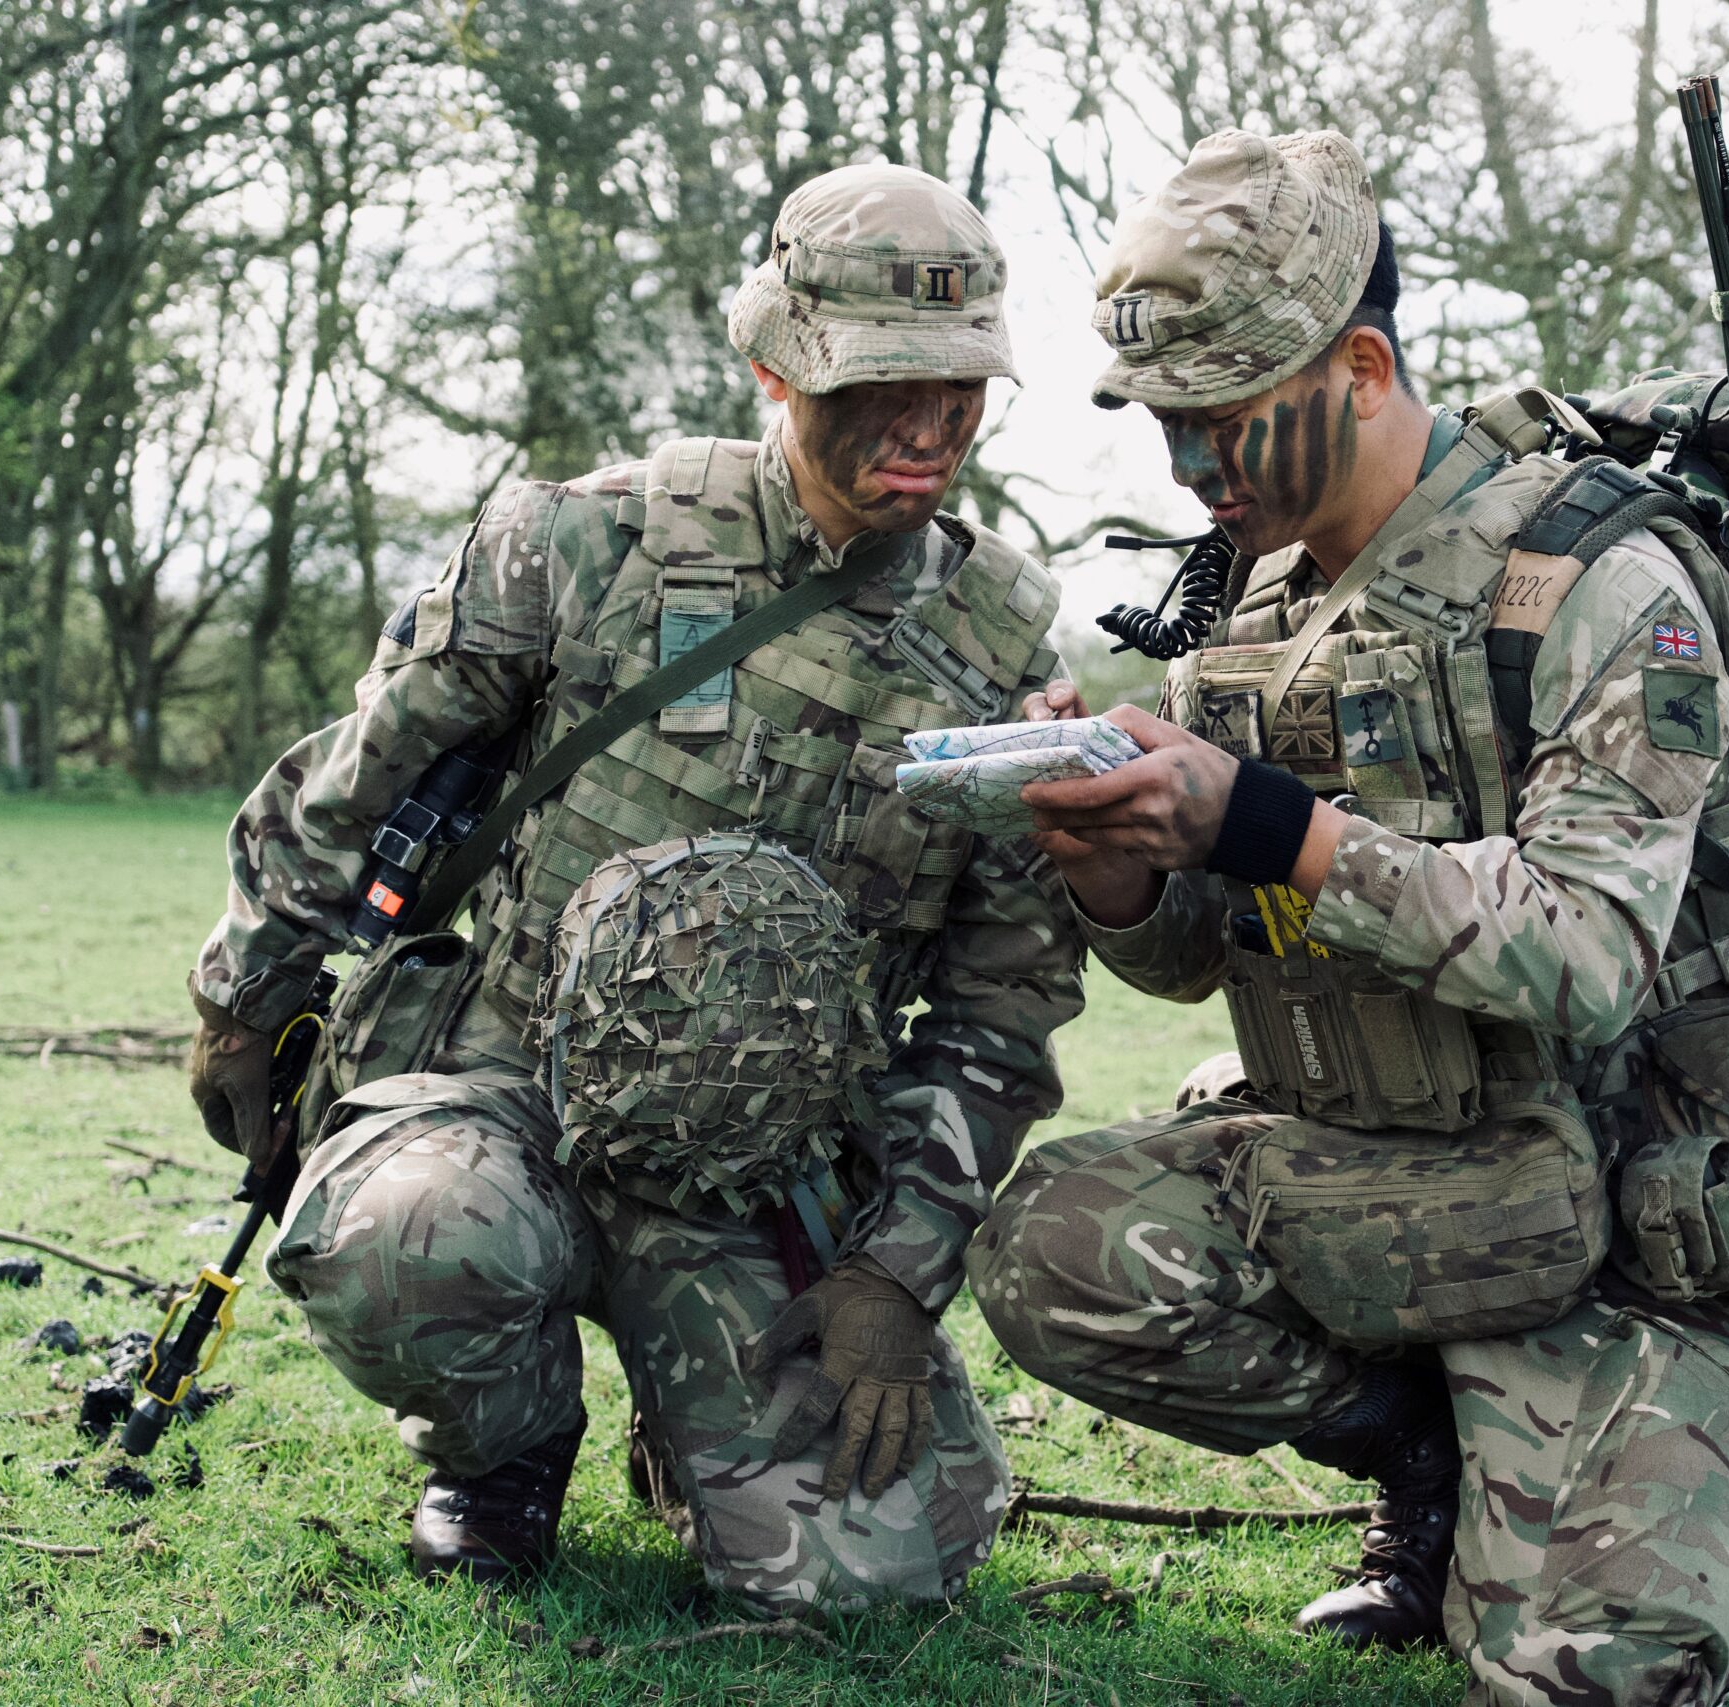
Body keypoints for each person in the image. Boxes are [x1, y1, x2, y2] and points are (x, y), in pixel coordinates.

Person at [967, 128, 1729, 1702]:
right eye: (1169, 427)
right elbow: (1204, 954)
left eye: (1224, 421)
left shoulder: (1597, 581)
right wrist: (1120, 862)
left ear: (1362, 367)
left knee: (1582, 1677)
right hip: (1400, 1181)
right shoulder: (1246, 605)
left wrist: (1266, 824)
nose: (1191, 470)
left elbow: (1587, 954)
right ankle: (1429, 1457)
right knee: (1057, 1246)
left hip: (1640, 1233)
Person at [183, 162, 1084, 1612]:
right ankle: (505, 1452)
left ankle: (692, 1415)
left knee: (874, 1576)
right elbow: (358, 775)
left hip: (762, 1173)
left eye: (960, 387)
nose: (926, 428)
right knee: (404, 1244)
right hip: (503, 1091)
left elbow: (1003, 1011)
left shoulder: (1003, 658)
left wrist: (893, 1274)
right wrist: (244, 995)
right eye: (880, 384)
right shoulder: (586, 543)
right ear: (777, 366)